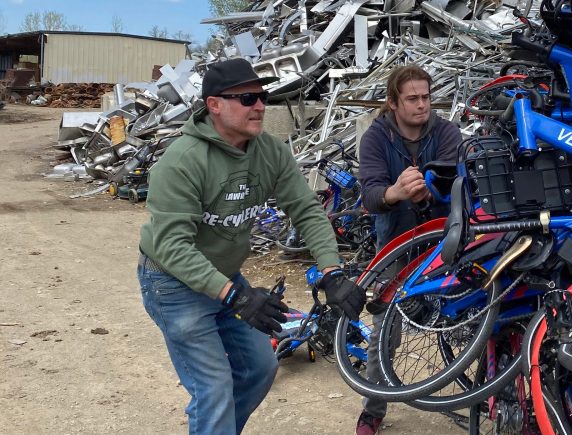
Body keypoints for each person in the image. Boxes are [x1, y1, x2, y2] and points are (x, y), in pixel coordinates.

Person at [136, 58, 366, 435]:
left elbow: (306, 209)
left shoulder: (269, 151)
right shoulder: (182, 161)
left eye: (262, 97)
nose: (259, 105)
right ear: (214, 105)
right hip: (172, 284)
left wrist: (332, 271)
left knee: (259, 368)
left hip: (224, 277)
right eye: (247, 98)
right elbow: (172, 247)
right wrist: (236, 296)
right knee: (213, 389)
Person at [354, 64, 461, 435]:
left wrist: (430, 192)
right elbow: (370, 195)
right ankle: (373, 410)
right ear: (393, 102)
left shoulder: (447, 132)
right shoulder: (375, 138)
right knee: (386, 330)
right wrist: (394, 193)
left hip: (444, 242)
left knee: (476, 316)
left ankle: (493, 398)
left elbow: (456, 182)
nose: (422, 105)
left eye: (426, 97)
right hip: (395, 244)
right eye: (412, 98)